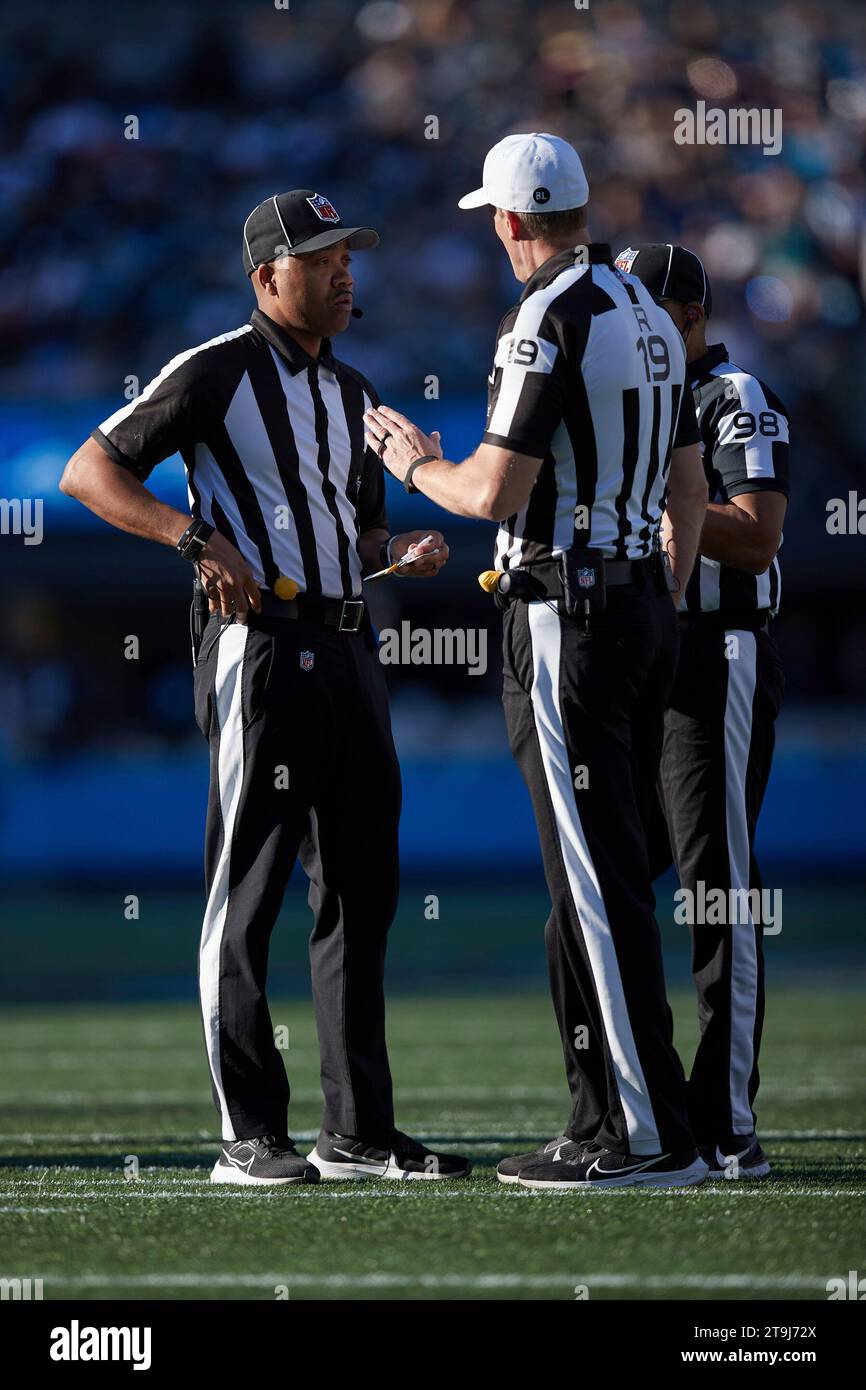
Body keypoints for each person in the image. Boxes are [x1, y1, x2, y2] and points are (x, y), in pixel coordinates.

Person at [60, 188, 469, 1186]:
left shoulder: (351, 392)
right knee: (247, 890)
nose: (343, 271)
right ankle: (249, 1133)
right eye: (321, 255)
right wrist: (193, 538)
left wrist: (398, 550)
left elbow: (355, 533)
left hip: (348, 647)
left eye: (347, 255)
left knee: (361, 892)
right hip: (260, 650)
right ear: (265, 276)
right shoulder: (212, 373)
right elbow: (86, 470)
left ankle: (357, 1131)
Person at [364, 134, 710, 1189]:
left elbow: (491, 495)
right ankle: (602, 1117)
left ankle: (646, 1137)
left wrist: (411, 461)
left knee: (596, 885)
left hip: (569, 617)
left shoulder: (546, 315)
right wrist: (667, 591)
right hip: (636, 605)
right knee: (589, 882)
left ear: (510, 221)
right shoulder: (645, 303)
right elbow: (687, 481)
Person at [615, 243, 789, 1179]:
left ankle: (727, 1121)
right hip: (645, 657)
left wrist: (666, 501)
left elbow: (758, 535)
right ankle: (634, 1107)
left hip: (720, 656)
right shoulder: (639, 401)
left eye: (648, 310)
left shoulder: (734, 396)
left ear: (687, 316)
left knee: (718, 884)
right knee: (607, 880)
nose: (633, 327)